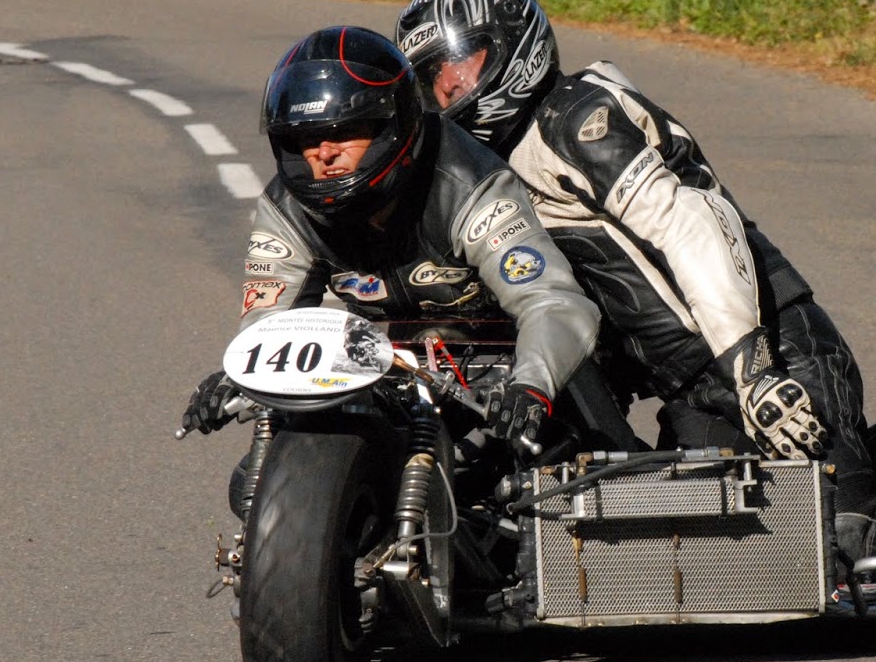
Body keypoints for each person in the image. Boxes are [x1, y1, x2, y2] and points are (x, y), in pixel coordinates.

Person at [394, 0, 876, 568]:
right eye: (433, 77)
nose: (450, 86)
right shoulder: (484, 169)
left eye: (463, 61)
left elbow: (691, 224)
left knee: (849, 546)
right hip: (687, 388)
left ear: (514, 45)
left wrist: (753, 372)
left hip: (775, 348)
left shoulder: (574, 118)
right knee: (716, 557)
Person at [181, 25, 601, 466]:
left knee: (578, 440)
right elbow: (268, 323)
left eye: (345, 132)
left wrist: (531, 385)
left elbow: (551, 300)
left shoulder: (470, 186)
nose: (324, 153)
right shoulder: (285, 208)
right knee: (255, 475)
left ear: (392, 127)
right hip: (382, 367)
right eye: (305, 138)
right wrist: (238, 376)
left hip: (506, 370)